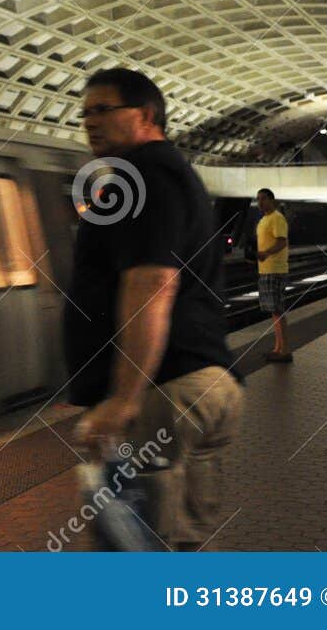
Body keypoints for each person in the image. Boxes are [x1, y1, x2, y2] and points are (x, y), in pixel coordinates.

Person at [64, 67, 244, 550]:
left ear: (144, 115)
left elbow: (151, 283)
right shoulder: (174, 174)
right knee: (176, 549)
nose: (89, 121)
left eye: (102, 110)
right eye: (84, 112)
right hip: (202, 386)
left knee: (140, 552)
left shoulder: (142, 175)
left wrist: (123, 398)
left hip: (164, 393)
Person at [253, 188, 292, 361]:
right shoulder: (263, 220)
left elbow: (282, 242)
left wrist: (265, 253)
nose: (260, 202)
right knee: (274, 312)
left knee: (277, 310)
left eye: (263, 199)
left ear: (272, 200)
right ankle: (278, 348)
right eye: (258, 199)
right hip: (266, 270)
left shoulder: (277, 218)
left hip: (275, 270)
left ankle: (285, 351)